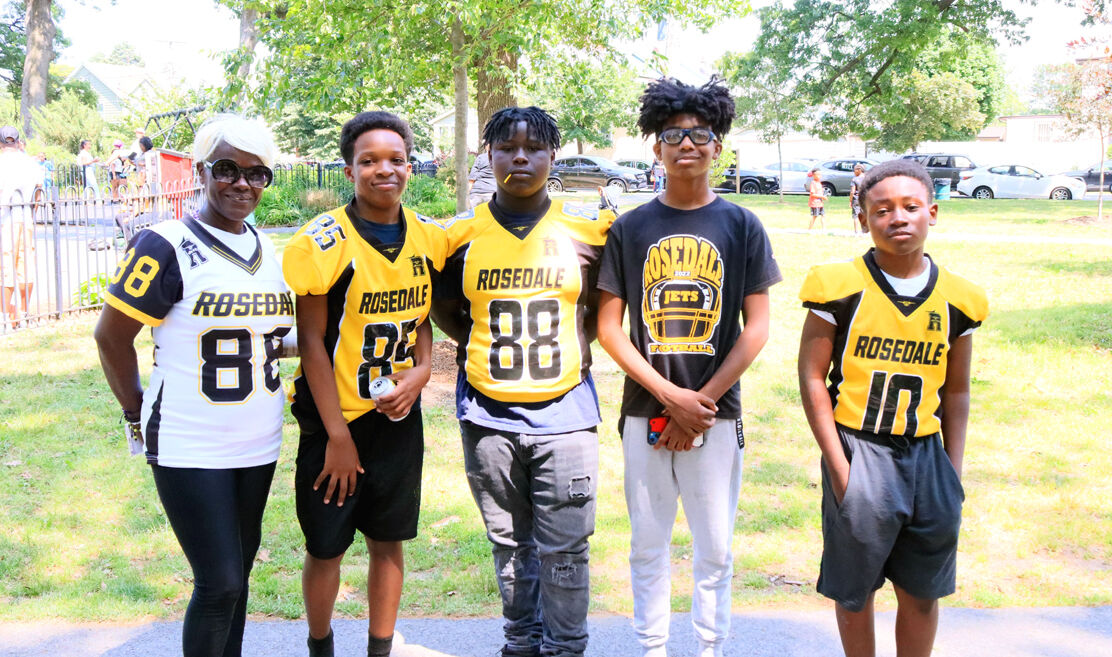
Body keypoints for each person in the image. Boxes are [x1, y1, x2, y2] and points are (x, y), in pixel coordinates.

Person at [595, 78, 782, 657]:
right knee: (648, 544)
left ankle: (709, 648)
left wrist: (699, 404)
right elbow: (608, 328)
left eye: (700, 135)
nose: (687, 145)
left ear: (717, 147)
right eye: (673, 135)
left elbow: (756, 327)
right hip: (644, 412)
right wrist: (668, 396)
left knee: (716, 547)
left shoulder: (743, 225)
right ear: (656, 148)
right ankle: (652, 647)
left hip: (717, 416)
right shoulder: (629, 227)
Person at [94, 114, 293, 657]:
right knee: (219, 581)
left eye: (257, 174)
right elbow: (111, 337)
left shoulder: (266, 248)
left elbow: (269, 336)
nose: (242, 183)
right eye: (228, 169)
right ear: (203, 170)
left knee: (239, 578)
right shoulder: (165, 243)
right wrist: (137, 411)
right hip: (188, 439)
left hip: (258, 437)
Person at [431, 106, 615, 657]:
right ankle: (521, 642)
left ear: (552, 156)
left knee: (566, 550)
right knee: (510, 545)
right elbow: (447, 311)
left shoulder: (588, 232)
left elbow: (599, 312)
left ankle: (566, 648)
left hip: (566, 412)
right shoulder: (458, 237)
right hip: (488, 414)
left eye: (533, 147)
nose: (520, 157)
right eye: (506, 147)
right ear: (488, 155)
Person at [797, 159, 988, 657]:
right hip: (860, 449)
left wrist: (952, 467)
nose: (897, 218)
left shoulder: (959, 299)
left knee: (922, 590)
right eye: (881, 210)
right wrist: (841, 468)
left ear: (933, 213)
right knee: (855, 590)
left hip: (927, 455)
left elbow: (958, 391)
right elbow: (812, 377)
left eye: (910, 207)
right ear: (863, 218)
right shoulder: (839, 287)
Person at [283, 111, 448, 657]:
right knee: (326, 545)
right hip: (335, 421)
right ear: (349, 169)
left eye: (396, 160)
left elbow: (421, 321)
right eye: (370, 160)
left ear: (410, 166)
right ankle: (321, 646)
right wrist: (336, 435)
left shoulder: (427, 236)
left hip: (397, 416)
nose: (385, 170)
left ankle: (380, 649)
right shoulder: (323, 240)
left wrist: (421, 373)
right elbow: (311, 343)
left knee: (389, 541)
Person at [0, 126, 41, 327]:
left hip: (5, 218)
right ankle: (23, 313)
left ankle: (6, 316)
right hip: (26, 216)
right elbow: (39, 190)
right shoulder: (30, 163)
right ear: (17, 142)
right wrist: (32, 212)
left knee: (5, 265)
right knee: (26, 264)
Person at [849, 163, 866, 233]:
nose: (854, 172)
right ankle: (864, 230)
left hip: (856, 198)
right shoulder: (866, 178)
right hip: (864, 198)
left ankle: (856, 231)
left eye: (855, 170)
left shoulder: (854, 179)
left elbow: (852, 191)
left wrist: (850, 200)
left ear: (859, 170)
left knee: (856, 215)